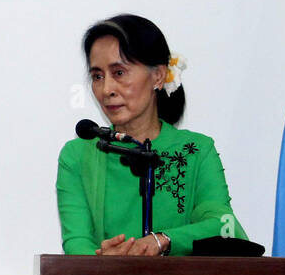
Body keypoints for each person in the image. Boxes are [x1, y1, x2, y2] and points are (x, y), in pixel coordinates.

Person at [56, 14, 248, 256]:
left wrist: (163, 240)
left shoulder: (196, 150)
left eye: (119, 73)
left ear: (158, 76)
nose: (106, 90)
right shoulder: (77, 155)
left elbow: (225, 226)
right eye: (97, 76)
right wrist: (104, 262)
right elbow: (76, 244)